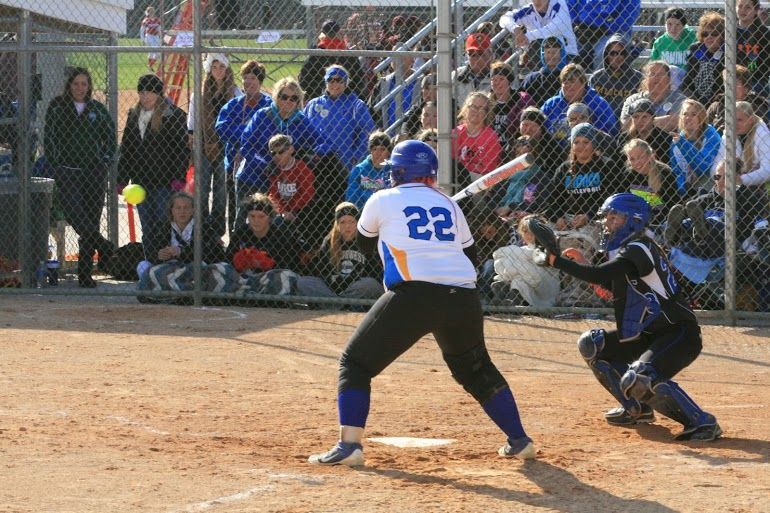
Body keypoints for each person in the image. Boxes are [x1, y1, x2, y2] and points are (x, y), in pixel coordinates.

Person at [308, 140, 535, 466]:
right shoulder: (449, 204)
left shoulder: (382, 199)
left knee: (355, 364)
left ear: (398, 172)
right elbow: (470, 257)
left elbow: (365, 245)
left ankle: (349, 446)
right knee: (476, 370)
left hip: (414, 295)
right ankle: (519, 439)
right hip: (463, 297)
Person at [530, 193, 721, 441]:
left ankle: (702, 423)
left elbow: (599, 276)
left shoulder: (640, 248)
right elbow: (610, 286)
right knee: (593, 344)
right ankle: (637, 409)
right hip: (649, 333)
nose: (607, 223)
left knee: (640, 376)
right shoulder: (629, 250)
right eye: (607, 217)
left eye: (614, 217)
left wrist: (556, 262)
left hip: (678, 333)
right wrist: (582, 264)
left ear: (633, 220)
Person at [43, 66, 116, 288]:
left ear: (89, 86)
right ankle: (104, 246)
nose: (80, 88)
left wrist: (104, 160)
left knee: (90, 220)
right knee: (75, 214)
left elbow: (110, 138)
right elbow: (49, 137)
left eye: (84, 84)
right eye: (76, 84)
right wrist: (56, 163)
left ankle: (85, 274)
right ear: (69, 85)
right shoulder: (57, 107)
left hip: (94, 172)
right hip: (67, 172)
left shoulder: (98, 109)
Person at [118, 74, 189, 259]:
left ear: (158, 93)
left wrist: (178, 177)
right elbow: (127, 148)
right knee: (147, 227)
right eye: (141, 92)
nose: (145, 96)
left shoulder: (173, 115)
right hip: (141, 182)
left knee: (162, 226)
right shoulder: (134, 115)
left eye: (150, 92)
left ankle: (165, 264)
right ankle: (149, 263)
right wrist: (121, 179)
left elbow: (181, 150)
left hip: (164, 184)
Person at [239, 77, 323, 201]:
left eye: (294, 98)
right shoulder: (262, 116)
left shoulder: (301, 121)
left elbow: (321, 142)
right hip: (253, 177)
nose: (288, 101)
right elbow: (245, 145)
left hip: (284, 183)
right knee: (246, 218)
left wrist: (311, 155)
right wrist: (266, 164)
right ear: (277, 97)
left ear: (298, 101)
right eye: (284, 97)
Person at [214, 60, 272, 235]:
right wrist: (250, 132)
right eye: (245, 78)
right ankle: (236, 243)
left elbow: (269, 134)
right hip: (235, 165)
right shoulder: (233, 105)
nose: (248, 82)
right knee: (236, 210)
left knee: (263, 210)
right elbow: (222, 129)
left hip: (263, 168)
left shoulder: (268, 105)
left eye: (253, 78)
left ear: (260, 81)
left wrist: (245, 133)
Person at [187, 53, 241, 237]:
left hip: (226, 146)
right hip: (204, 143)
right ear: (209, 69)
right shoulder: (199, 92)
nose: (218, 70)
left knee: (221, 190)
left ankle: (217, 231)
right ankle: (202, 229)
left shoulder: (235, 92)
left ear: (227, 70)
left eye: (222, 67)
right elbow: (192, 122)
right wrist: (193, 142)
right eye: (214, 66)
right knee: (201, 190)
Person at [544, 122, 623, 232]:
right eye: (576, 142)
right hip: (568, 218)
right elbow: (553, 198)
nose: (581, 146)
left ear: (594, 144)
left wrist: (589, 216)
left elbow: (611, 198)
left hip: (596, 218)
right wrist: (557, 218)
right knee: (542, 229)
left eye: (586, 142)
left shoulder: (606, 166)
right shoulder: (564, 168)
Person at [299, 202, 383, 301]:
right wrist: (334, 283)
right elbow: (321, 271)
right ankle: (342, 304)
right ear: (337, 225)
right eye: (342, 222)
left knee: (370, 284)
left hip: (356, 287)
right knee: (303, 282)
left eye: (351, 221)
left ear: (358, 223)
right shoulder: (329, 241)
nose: (347, 226)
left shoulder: (365, 240)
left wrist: (353, 281)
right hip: (334, 288)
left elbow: (374, 271)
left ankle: (335, 304)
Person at [137, 191, 225, 281]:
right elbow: (152, 253)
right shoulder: (163, 227)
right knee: (143, 265)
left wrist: (181, 251)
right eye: (178, 208)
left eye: (186, 208)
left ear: (192, 210)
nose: (182, 211)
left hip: (192, 268)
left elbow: (207, 254)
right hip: (169, 267)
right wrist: (159, 255)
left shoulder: (202, 227)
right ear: (172, 210)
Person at [303, 65, 376, 171]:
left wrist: (357, 157)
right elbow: (303, 130)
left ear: (346, 83)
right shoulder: (313, 104)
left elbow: (367, 132)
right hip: (316, 160)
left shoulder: (356, 105)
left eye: (339, 80)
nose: (335, 84)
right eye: (330, 80)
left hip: (345, 162)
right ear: (325, 82)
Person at [541, 63, 619, 147]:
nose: (567, 85)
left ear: (583, 83)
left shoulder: (599, 104)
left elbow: (610, 133)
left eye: (572, 81)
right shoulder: (550, 104)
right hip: (555, 152)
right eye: (564, 81)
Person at [226, 193, 304, 273]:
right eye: (252, 216)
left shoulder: (279, 237)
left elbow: (287, 267)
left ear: (269, 218)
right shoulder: (241, 233)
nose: (256, 221)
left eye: (261, 216)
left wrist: (264, 262)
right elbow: (228, 260)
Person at [298, 19, 367, 101]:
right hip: (346, 99)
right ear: (339, 33)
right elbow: (359, 81)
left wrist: (316, 90)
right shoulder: (348, 54)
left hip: (319, 98)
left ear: (323, 34)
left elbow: (303, 80)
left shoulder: (316, 54)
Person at [498, 0, 579, 67]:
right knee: (537, 44)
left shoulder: (559, 4)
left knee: (539, 42)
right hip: (542, 57)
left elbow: (553, 29)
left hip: (567, 55)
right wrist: (515, 29)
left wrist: (526, 37)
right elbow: (504, 18)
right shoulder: (529, 9)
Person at [265, 134, 315, 239]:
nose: (277, 156)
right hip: (282, 211)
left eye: (281, 152)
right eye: (273, 153)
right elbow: (273, 194)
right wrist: (283, 211)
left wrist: (292, 211)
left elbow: (307, 193)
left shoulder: (302, 168)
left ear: (291, 150)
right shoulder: (274, 169)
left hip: (301, 210)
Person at [711, 101, 770, 190]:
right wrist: (719, 177)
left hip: (757, 187)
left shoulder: (763, 135)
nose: (735, 124)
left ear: (751, 120)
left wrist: (740, 179)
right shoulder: (729, 133)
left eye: (739, 120)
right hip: (729, 183)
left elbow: (767, 170)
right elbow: (718, 162)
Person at [621, 139, 680, 225]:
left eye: (640, 157)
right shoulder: (629, 175)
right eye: (632, 159)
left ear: (649, 156)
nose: (637, 162)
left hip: (663, 221)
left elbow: (672, 204)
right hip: (637, 220)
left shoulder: (664, 172)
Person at [572, 0, 641, 72]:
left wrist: (604, 28)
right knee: (568, 49)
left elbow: (628, 17)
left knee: (602, 52)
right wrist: (575, 24)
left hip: (613, 32)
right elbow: (570, 7)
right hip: (584, 29)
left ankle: (599, 81)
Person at [670, 99, 721, 197]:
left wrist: (683, 144)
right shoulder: (676, 142)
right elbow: (677, 172)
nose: (688, 118)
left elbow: (702, 167)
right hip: (689, 186)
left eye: (694, 114)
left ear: (701, 118)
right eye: (685, 114)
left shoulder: (711, 134)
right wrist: (682, 191)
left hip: (711, 179)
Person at [452, 92, 503, 187]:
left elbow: (488, 169)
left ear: (486, 113)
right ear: (466, 109)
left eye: (481, 108)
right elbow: (450, 162)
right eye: (473, 107)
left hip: (478, 181)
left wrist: (464, 167)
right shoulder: (455, 133)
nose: (476, 111)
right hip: (456, 177)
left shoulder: (491, 137)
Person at [620, 61, 687, 134]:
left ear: (668, 80)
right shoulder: (633, 99)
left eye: (661, 74)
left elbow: (674, 122)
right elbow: (625, 125)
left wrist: (638, 122)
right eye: (652, 74)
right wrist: (661, 120)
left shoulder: (679, 99)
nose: (656, 77)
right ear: (645, 79)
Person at [588, 34, 643, 120]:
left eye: (622, 53)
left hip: (628, 123)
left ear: (627, 54)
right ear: (606, 55)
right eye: (613, 53)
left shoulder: (637, 78)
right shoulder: (596, 78)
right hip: (601, 123)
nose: (617, 57)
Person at [488, 61, 534, 160]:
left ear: (509, 81)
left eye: (501, 79)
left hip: (515, 148)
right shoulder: (487, 103)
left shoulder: (521, 101)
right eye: (493, 79)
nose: (497, 83)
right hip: (490, 148)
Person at [707, 65, 770, 134]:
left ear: (746, 88)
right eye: (726, 83)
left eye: (735, 84)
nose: (730, 87)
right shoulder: (717, 105)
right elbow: (704, 127)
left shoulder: (757, 106)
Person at [681, 12, 725, 108]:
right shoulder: (695, 49)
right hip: (696, 100)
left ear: (722, 35)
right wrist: (693, 101)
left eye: (714, 33)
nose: (709, 37)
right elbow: (687, 83)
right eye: (705, 34)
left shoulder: (729, 52)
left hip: (720, 101)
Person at [346, 131, 392, 209]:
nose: (378, 153)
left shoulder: (393, 169)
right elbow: (351, 198)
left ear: (389, 152)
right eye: (375, 149)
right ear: (370, 151)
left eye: (383, 149)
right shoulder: (358, 170)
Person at [619, 98, 672, 166]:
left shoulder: (664, 139)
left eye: (644, 117)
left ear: (652, 118)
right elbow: (620, 164)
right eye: (636, 117)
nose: (640, 121)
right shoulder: (625, 138)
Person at [520, 36, 569, 107]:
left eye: (554, 52)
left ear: (561, 54)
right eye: (548, 52)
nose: (551, 55)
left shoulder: (569, 76)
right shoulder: (532, 78)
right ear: (543, 54)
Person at [736, 0, 770, 95]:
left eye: (748, 7)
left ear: (756, 11)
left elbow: (765, 64)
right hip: (732, 76)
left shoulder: (764, 33)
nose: (743, 10)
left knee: (757, 89)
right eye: (740, 6)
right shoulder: (729, 29)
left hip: (755, 79)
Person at [453, 33, 494, 108]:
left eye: (480, 53)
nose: (476, 58)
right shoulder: (456, 75)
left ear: (490, 55)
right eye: (472, 54)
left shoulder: (498, 76)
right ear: (466, 56)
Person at [649, 8, 697, 72]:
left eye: (677, 24)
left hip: (688, 78)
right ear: (665, 24)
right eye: (669, 24)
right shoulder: (659, 42)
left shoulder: (693, 38)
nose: (673, 29)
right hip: (667, 80)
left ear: (683, 25)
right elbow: (653, 66)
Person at [139, 6, 162, 71]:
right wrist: (142, 39)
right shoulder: (146, 20)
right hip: (149, 36)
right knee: (151, 51)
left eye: (152, 11)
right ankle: (150, 66)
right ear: (147, 12)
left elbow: (159, 29)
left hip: (156, 36)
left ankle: (150, 65)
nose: (151, 13)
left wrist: (161, 38)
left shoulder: (157, 20)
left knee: (158, 54)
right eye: (149, 11)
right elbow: (142, 30)